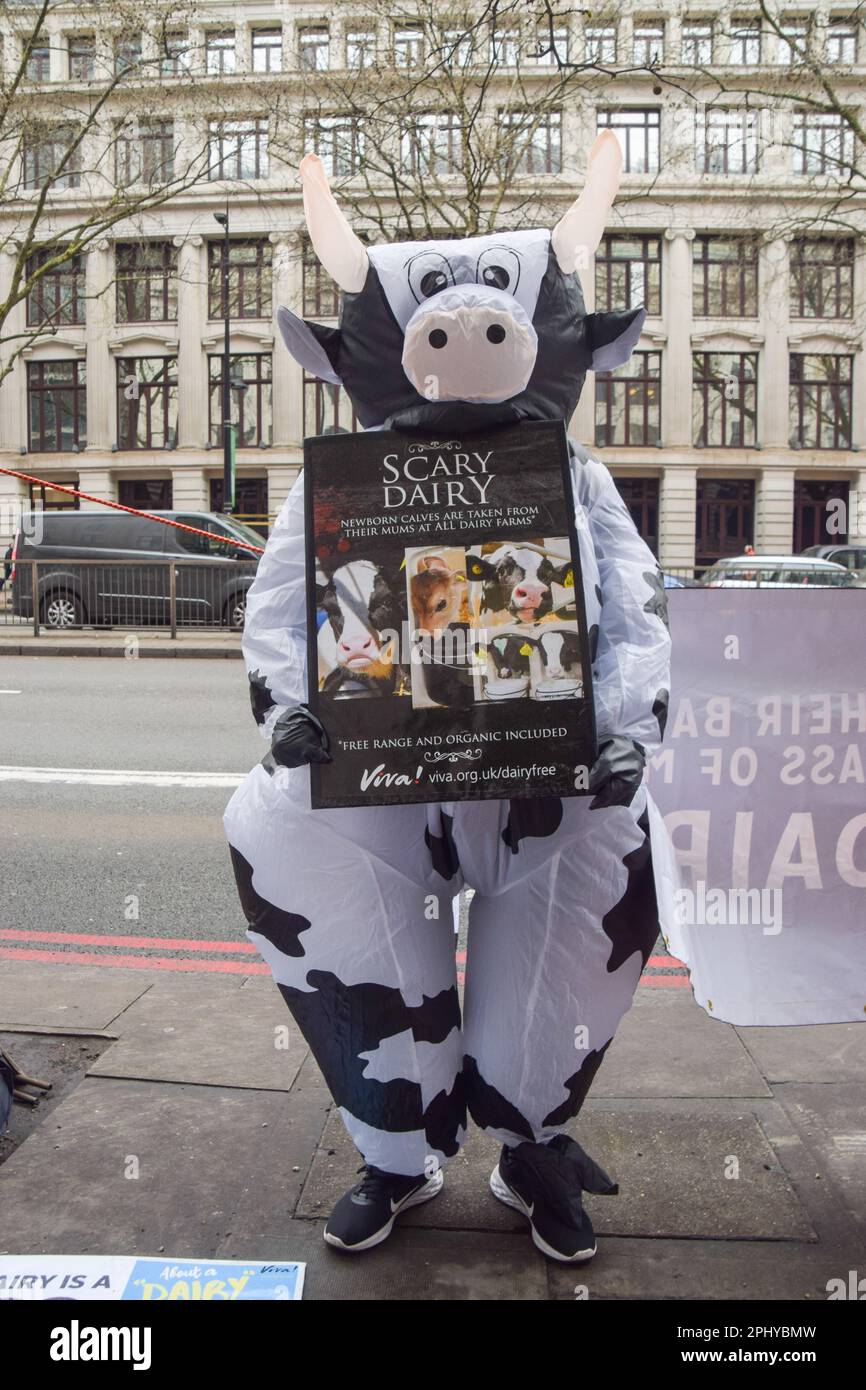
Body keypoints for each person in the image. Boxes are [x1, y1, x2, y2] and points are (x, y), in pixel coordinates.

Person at [224, 134, 676, 1263]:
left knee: (598, 880)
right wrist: (287, 702)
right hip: (379, 772)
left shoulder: (572, 477)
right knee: (283, 843)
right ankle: (393, 1147)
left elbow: (628, 605)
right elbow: (285, 599)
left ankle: (532, 1141)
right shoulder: (342, 479)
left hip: (541, 774)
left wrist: (624, 726)